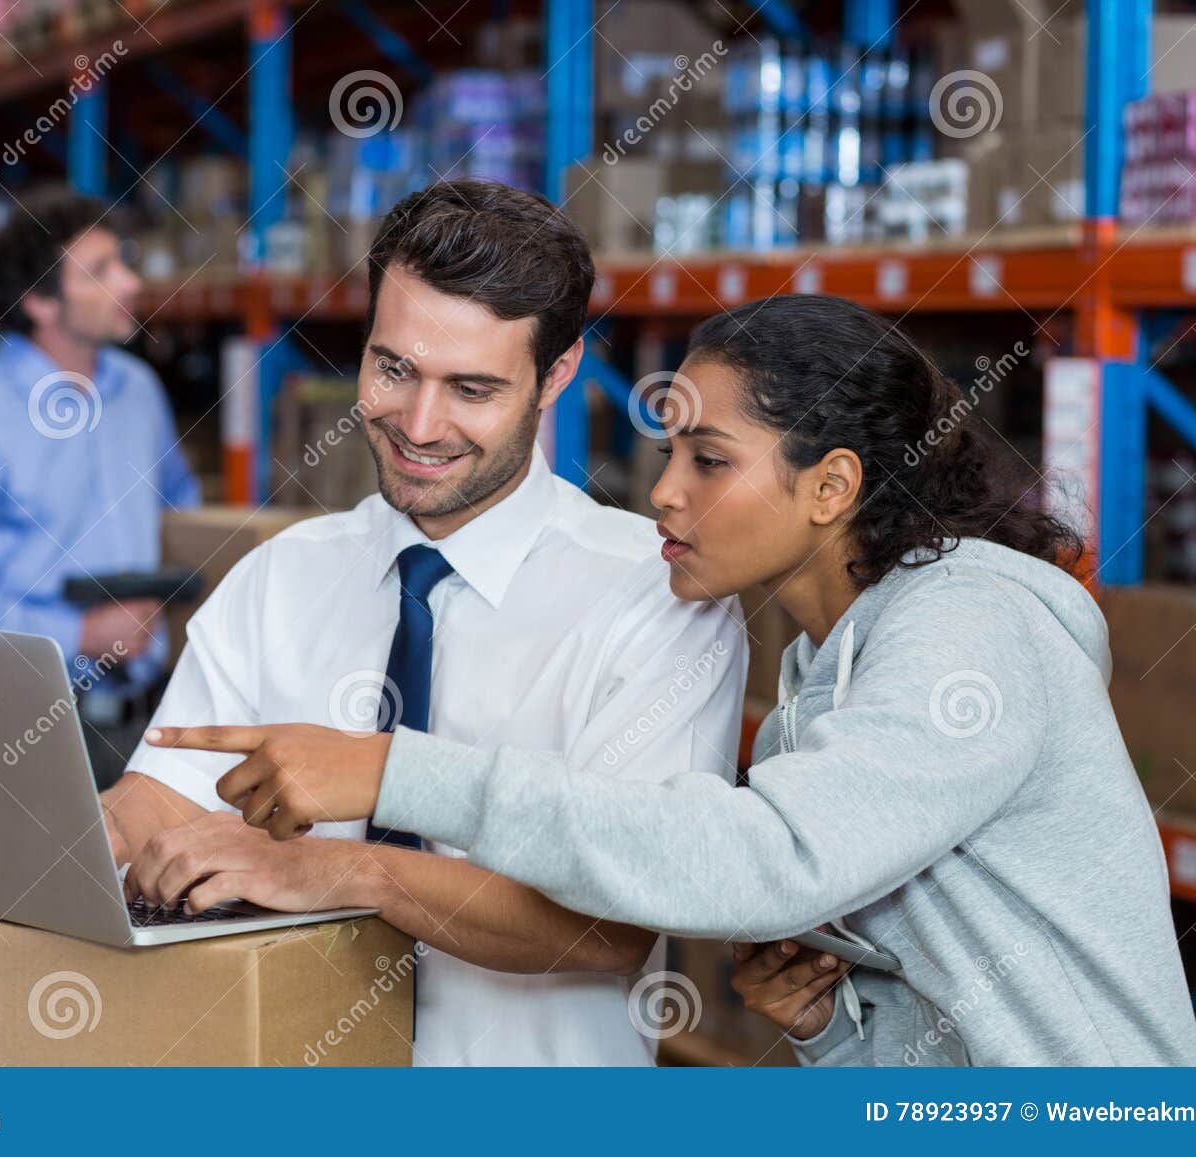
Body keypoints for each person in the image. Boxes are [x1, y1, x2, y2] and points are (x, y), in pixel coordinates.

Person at [144, 294, 1196, 1067]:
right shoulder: (813, 688)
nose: (662, 492)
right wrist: (835, 1030)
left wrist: (395, 774)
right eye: (669, 452)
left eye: (709, 459)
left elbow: (770, 856)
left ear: (831, 484)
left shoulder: (969, 621)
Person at [102, 179, 748, 1066]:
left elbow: (608, 928)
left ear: (557, 375)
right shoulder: (281, 576)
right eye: (393, 368)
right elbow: (165, 796)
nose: (418, 423)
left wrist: (342, 871)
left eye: (472, 388)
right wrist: (92, 828)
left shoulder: (658, 599)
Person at [0, 188, 200, 789]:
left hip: (141, 722)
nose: (130, 283)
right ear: (39, 301)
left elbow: (179, 508)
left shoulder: (139, 391)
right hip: (16, 731)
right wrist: (77, 634)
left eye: (123, 262)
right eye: (101, 272)